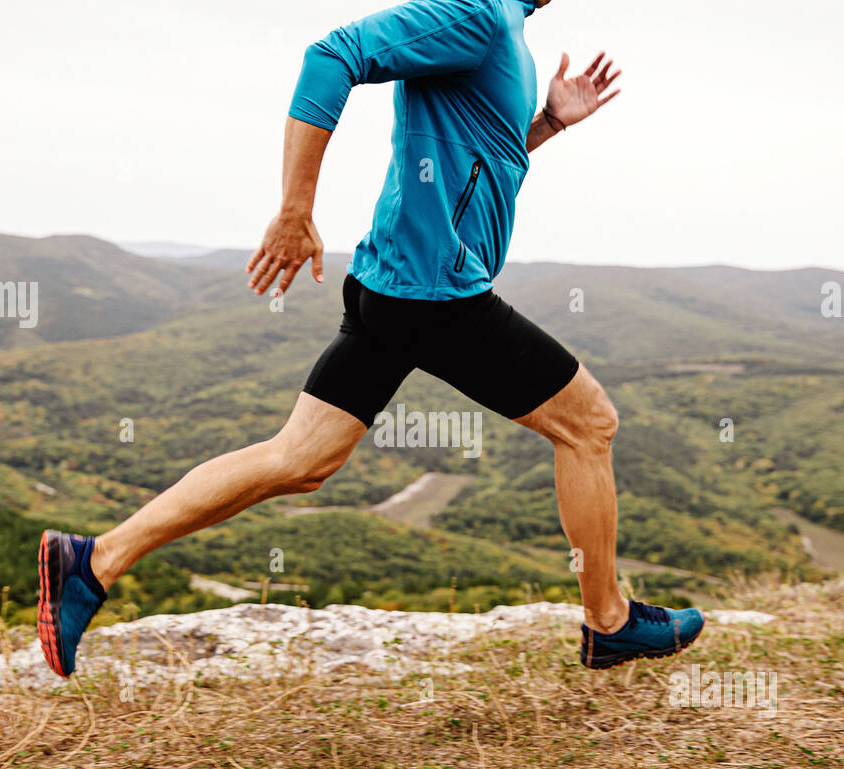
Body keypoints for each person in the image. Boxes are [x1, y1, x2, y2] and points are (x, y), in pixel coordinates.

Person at [36, 0, 703, 679]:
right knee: (589, 424)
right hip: (438, 297)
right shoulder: (477, 13)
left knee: (299, 459)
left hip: (398, 286)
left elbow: (478, 159)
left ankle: (91, 562)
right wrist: (295, 210)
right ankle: (610, 623)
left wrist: (550, 123)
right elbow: (332, 55)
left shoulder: (502, 31)